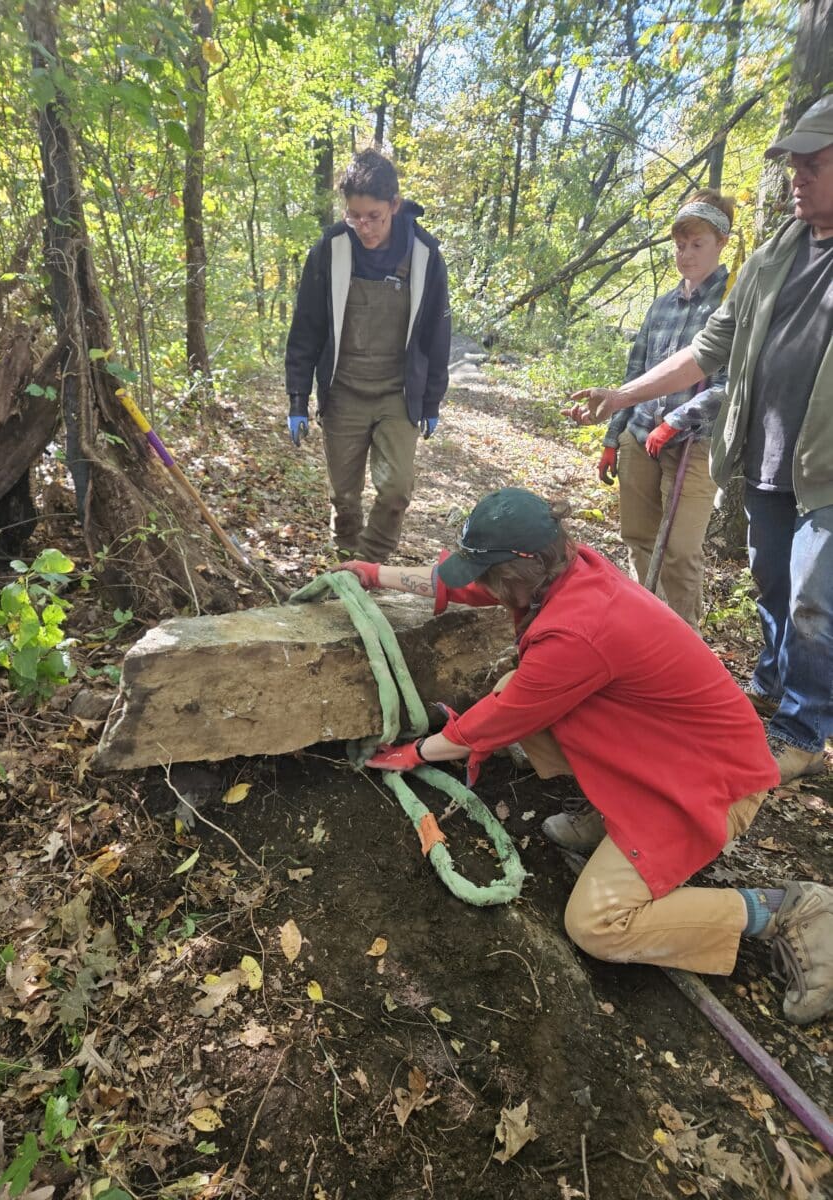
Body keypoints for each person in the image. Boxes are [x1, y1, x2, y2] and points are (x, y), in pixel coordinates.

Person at [336, 487, 833, 1026]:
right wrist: (374, 573)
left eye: (489, 571)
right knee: (515, 687)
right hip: (667, 750)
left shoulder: (579, 630)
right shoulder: (564, 572)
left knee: (596, 924)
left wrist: (412, 753)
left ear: (522, 565)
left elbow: (496, 723)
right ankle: (614, 815)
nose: (482, 584)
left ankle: (790, 912)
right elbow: (467, 586)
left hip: (706, 781)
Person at [569, 94, 833, 786]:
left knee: (813, 595)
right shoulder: (777, 255)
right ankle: (770, 687)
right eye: (795, 164)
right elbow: (708, 351)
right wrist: (623, 400)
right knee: (773, 579)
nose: (798, 177)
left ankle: (803, 731)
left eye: (814, 164)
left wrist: (673, 420)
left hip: (826, 466)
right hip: (771, 457)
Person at [285, 148, 451, 562]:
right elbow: (306, 327)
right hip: (343, 391)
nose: (364, 226)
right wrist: (296, 398)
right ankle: (346, 563)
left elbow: (436, 334)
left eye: (373, 216)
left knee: (395, 489)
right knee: (343, 495)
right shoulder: (330, 248)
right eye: (354, 216)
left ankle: (371, 564)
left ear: (394, 205)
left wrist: (431, 400)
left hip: (398, 392)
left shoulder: (425, 255)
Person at [599, 189, 733, 630]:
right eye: (680, 245)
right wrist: (612, 439)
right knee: (638, 536)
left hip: (695, 444)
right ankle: (647, 625)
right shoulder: (661, 306)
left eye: (698, 245)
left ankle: (683, 639)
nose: (686, 255)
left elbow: (730, 385)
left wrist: (676, 421)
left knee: (679, 550)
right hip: (640, 437)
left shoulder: (731, 305)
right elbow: (634, 374)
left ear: (721, 243)